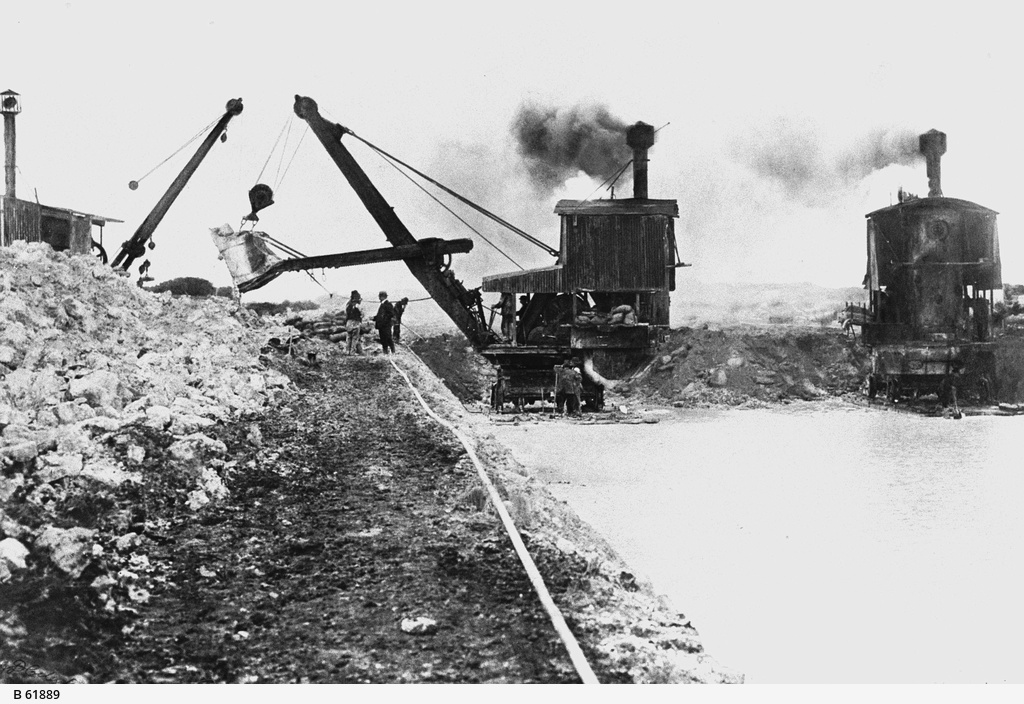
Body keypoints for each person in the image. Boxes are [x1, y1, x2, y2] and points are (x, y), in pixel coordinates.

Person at [374, 290, 396, 354]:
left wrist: (384, 320)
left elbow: (391, 314)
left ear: (382, 297)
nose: (379, 298)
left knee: (388, 338)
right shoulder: (382, 304)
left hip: (386, 325)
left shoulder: (388, 304)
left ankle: (393, 351)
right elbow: (380, 315)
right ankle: (385, 352)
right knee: (383, 339)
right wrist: (375, 318)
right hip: (382, 326)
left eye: (380, 297)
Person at [345, 290, 364, 355]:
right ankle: (352, 352)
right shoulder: (358, 305)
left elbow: (346, 313)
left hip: (348, 322)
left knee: (348, 337)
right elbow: (362, 314)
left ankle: (347, 351)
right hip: (355, 322)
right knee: (354, 338)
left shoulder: (348, 304)